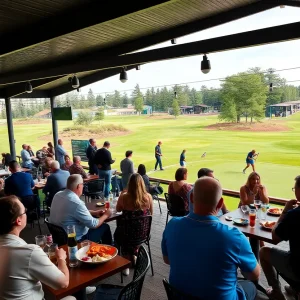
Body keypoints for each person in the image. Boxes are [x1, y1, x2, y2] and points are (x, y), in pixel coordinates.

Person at [162, 177, 260, 299]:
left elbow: (167, 260)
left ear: (192, 198)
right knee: (251, 286)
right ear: (220, 203)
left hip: (179, 296)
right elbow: (254, 274)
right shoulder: (235, 237)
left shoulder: (172, 225)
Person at [0, 195, 75, 300]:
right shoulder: (29, 252)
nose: (26, 213)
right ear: (18, 221)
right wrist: (61, 258)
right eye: (24, 211)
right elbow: (63, 283)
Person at [260, 176, 300, 300]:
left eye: (295, 188)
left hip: (298, 267)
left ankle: (276, 293)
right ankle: (296, 288)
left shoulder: (294, 214)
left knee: (263, 252)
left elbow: (275, 237)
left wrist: (285, 211)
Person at [49, 174, 112, 244]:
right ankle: (109, 252)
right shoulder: (76, 202)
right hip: (77, 240)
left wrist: (94, 212)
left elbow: (72, 212)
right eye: (83, 184)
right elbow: (93, 224)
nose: (83, 186)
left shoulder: (58, 194)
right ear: (79, 186)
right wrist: (106, 214)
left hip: (59, 237)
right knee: (105, 227)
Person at [115, 173, 153, 276]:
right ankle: (134, 254)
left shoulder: (124, 197)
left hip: (126, 234)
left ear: (130, 184)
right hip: (143, 234)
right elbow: (151, 214)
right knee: (134, 229)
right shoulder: (148, 197)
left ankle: (126, 262)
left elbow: (118, 209)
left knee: (119, 233)